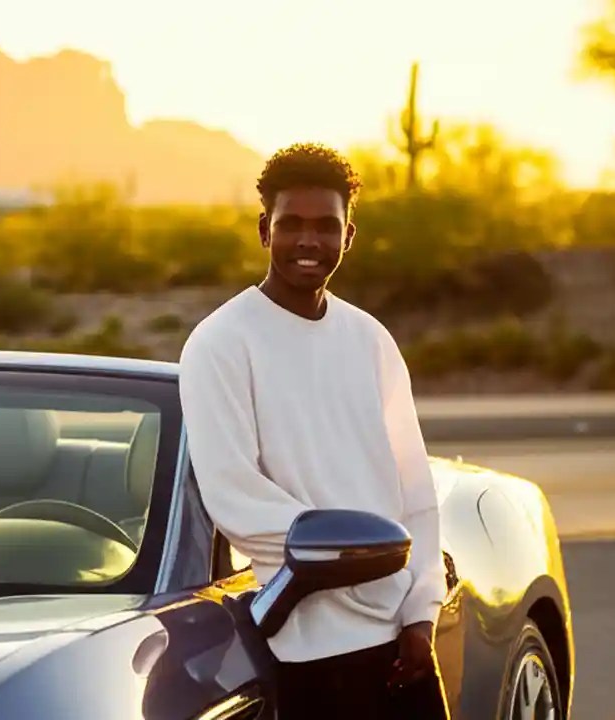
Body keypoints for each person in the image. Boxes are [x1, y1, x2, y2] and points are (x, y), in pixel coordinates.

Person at [178, 143, 450, 719]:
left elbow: (416, 496)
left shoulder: (371, 340)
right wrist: (350, 556)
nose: (309, 241)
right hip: (308, 646)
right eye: (291, 224)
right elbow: (233, 494)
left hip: (403, 641)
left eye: (326, 226)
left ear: (348, 236)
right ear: (263, 230)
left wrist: (420, 612)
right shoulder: (221, 343)